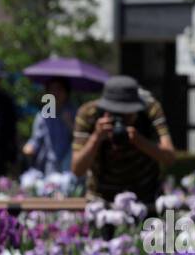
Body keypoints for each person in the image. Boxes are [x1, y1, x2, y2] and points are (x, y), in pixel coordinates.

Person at [71, 75, 176, 205]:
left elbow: (170, 158)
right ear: (105, 108)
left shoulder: (150, 110)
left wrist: (140, 141)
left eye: (126, 114)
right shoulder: (88, 114)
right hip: (101, 201)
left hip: (146, 197)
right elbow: (77, 169)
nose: (120, 121)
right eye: (115, 114)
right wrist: (96, 138)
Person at [22, 78, 74, 176]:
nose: (55, 93)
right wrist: (29, 147)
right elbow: (35, 140)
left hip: (69, 166)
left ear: (66, 92)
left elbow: (81, 139)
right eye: (52, 89)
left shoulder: (74, 113)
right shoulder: (43, 116)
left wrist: (70, 124)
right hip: (47, 166)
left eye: (59, 89)